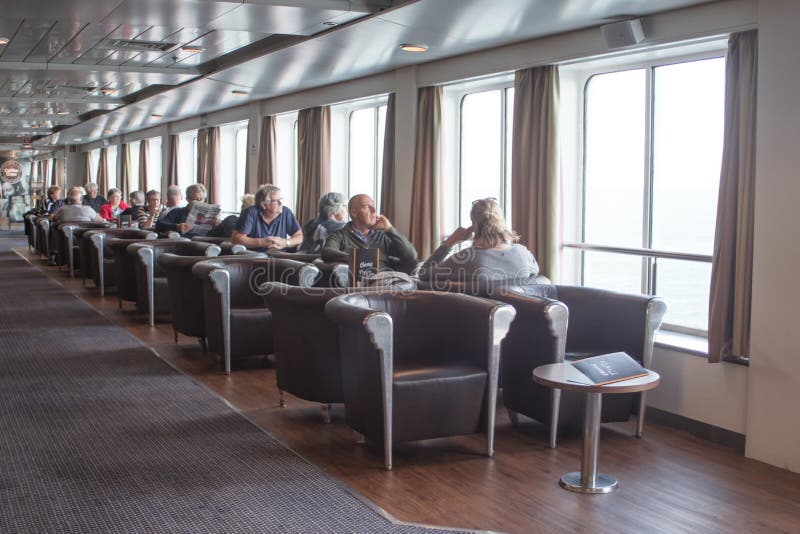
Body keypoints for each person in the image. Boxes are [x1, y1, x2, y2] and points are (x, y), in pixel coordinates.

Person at [417, 197, 538, 283]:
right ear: (502, 222)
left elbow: (423, 273)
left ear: (474, 225)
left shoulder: (468, 258)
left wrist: (450, 242)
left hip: (477, 317)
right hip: (521, 317)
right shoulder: (523, 253)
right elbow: (535, 275)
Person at [321, 194, 417, 272]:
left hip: (384, 285)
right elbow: (327, 252)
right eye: (367, 207)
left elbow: (410, 255)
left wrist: (390, 229)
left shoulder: (382, 236)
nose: (374, 211)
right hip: (355, 285)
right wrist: (361, 258)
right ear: (354, 213)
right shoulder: (340, 235)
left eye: (374, 206)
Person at [231, 184, 302, 251]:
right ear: (264, 205)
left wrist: (286, 243)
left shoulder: (286, 212)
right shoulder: (250, 212)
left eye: (280, 199)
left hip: (280, 257)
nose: (280, 203)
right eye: (276, 201)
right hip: (253, 258)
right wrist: (262, 242)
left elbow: (299, 236)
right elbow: (237, 239)